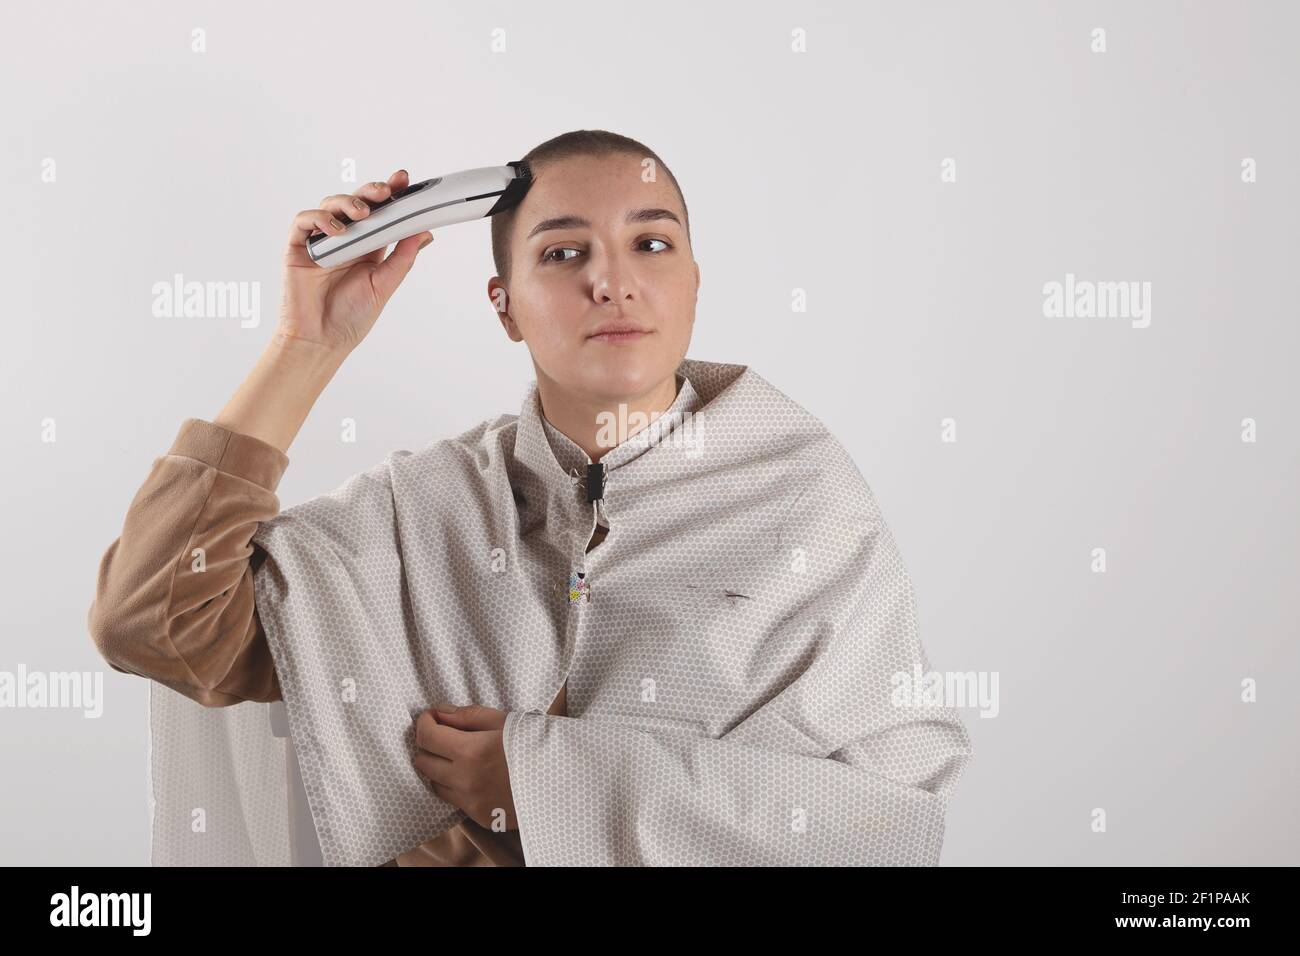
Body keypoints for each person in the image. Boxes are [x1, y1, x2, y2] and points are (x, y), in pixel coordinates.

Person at [88, 129, 971, 867]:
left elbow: (888, 826)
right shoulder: (421, 510)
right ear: (505, 306)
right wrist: (305, 345)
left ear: (695, 283)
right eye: (563, 252)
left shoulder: (805, 501)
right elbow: (153, 622)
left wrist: (539, 784)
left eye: (651, 243)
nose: (612, 281)